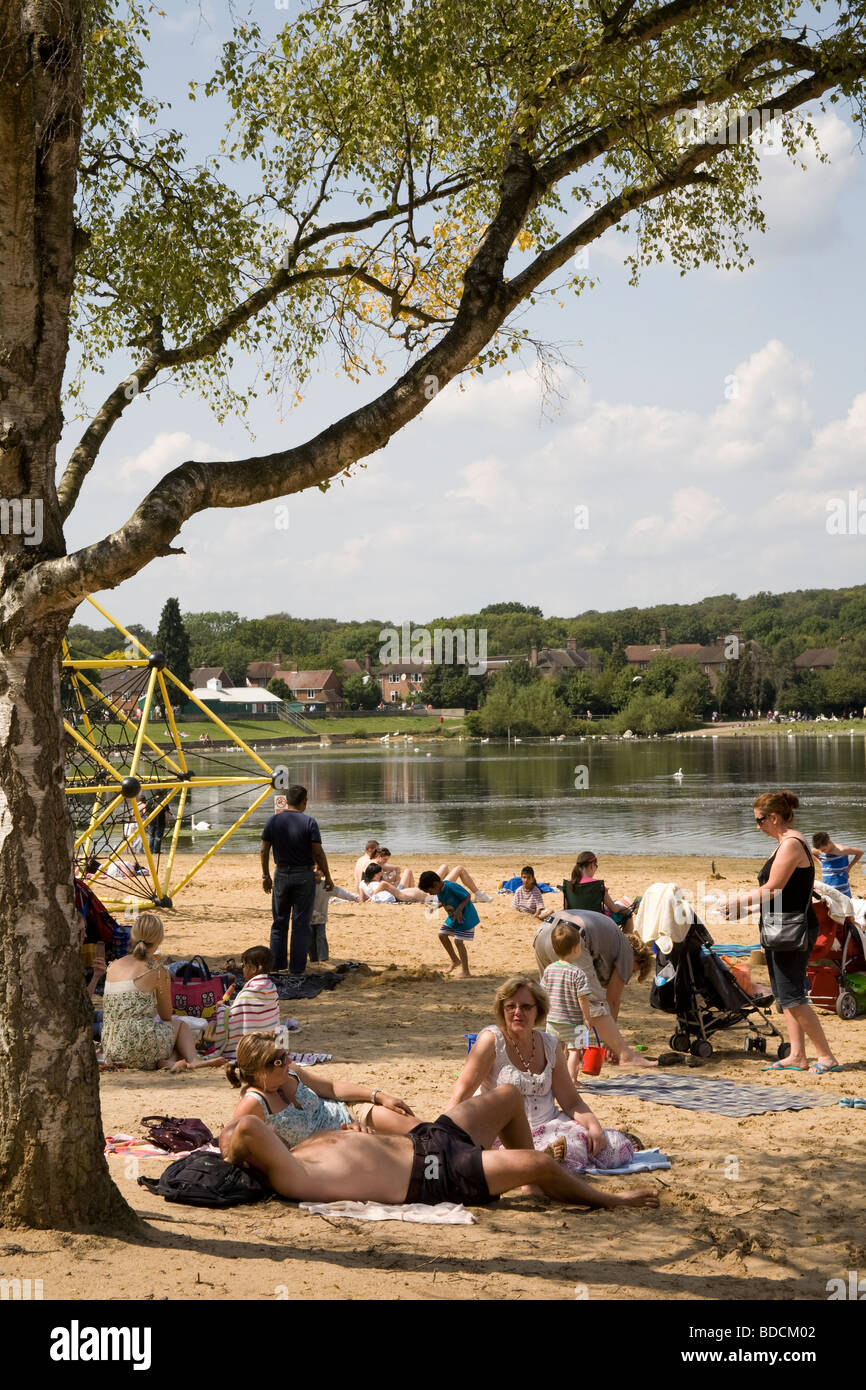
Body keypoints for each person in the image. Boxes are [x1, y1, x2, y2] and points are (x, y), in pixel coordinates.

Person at [220, 1082, 659, 1210]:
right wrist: (228, 1145)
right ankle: (609, 1200)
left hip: (426, 1140)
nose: (269, 1126)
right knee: (536, 1163)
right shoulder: (289, 1175)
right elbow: (242, 1130)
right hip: (437, 1177)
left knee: (507, 1096)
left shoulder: (300, 1152)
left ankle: (529, 1186)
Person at [447, 978, 643, 1176]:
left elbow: (572, 1101)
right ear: (501, 1009)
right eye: (510, 1006)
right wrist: (442, 1136)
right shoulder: (492, 1040)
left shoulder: (549, 1044)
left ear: (537, 1010)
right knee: (564, 1153)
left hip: (550, 1127)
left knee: (613, 1146)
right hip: (506, 1135)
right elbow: (461, 1095)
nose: (517, 1012)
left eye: (525, 1007)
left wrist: (594, 1126)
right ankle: (539, 1159)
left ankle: (541, 1160)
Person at [725, 790, 840, 1074]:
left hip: (791, 930)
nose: (758, 826)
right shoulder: (786, 842)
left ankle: (826, 1057)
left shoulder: (790, 844)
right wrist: (748, 910)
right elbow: (786, 893)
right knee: (785, 994)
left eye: (760, 820)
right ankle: (797, 1056)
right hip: (781, 926)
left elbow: (773, 887)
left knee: (794, 996)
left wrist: (736, 900)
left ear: (774, 817)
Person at [225, 1032, 419, 1141]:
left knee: (423, 1131)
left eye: (286, 1054)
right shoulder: (253, 1104)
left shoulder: (290, 1071)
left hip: (348, 1113)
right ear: (261, 1071)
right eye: (281, 1059)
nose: (288, 1060)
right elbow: (230, 1143)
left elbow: (331, 1088)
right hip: (334, 1147)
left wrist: (378, 1096)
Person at [534, 912, 657, 1067]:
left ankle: (563, 1052)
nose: (626, 975)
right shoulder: (626, 951)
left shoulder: (611, 942)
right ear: (638, 959)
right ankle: (626, 1056)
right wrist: (611, 1043)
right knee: (593, 1002)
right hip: (574, 937)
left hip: (544, 932)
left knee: (557, 995)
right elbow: (611, 1001)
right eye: (633, 971)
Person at [101, 912, 204, 1071]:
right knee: (179, 1026)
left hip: (112, 1048)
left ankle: (169, 1061)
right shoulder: (157, 970)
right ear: (159, 939)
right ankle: (194, 1060)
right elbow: (166, 1015)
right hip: (140, 1045)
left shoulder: (113, 966)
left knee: (168, 1037)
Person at [261, 784, 334, 974]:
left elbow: (264, 849)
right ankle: (297, 967)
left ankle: (277, 966)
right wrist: (327, 876)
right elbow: (318, 852)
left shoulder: (273, 821)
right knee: (301, 924)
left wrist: (266, 875)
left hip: (281, 874)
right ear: (304, 802)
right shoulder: (309, 822)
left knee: (279, 922)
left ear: (285, 801)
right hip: (304, 875)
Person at [207, 945, 280, 1062]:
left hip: (253, 1047)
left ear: (254, 969)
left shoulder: (247, 993)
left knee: (204, 1026)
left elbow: (232, 1019)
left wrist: (220, 1009)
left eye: (244, 965)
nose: (242, 969)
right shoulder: (271, 988)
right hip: (271, 1045)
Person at [541, 923, 592, 1081]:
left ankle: (552, 1079)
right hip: (574, 1022)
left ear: (554, 950)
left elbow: (543, 993)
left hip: (552, 1020)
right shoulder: (578, 973)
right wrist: (587, 1018)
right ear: (577, 948)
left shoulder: (549, 970)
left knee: (554, 1051)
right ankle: (572, 1081)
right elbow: (582, 997)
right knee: (575, 1051)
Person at [418, 870, 479, 978]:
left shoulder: (450, 887)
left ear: (435, 884)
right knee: (442, 935)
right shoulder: (439, 891)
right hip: (452, 918)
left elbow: (467, 896)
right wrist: (436, 906)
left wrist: (459, 909)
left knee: (458, 941)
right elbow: (445, 901)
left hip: (465, 917)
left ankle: (466, 971)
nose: (430, 894)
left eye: (430, 891)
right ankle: (455, 960)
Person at [564, 852, 633, 926]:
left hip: (576, 919)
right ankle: (627, 937)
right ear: (591, 865)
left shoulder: (569, 883)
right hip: (597, 921)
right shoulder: (597, 885)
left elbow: (566, 908)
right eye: (596, 866)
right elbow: (614, 909)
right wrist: (622, 907)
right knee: (628, 914)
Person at [811, 832, 862, 897]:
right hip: (827, 884)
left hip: (841, 885)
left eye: (824, 849)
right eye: (820, 850)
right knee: (829, 903)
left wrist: (849, 867)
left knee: (845, 902)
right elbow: (811, 853)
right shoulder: (820, 850)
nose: (822, 852)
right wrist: (820, 863)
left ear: (829, 842)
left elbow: (860, 852)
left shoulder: (841, 850)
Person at [358, 862, 428, 903]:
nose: (380, 875)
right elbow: (383, 884)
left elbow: (362, 899)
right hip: (397, 894)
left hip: (395, 892)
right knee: (418, 892)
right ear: (374, 874)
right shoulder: (377, 884)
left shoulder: (362, 884)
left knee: (408, 874)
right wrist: (372, 897)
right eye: (379, 874)